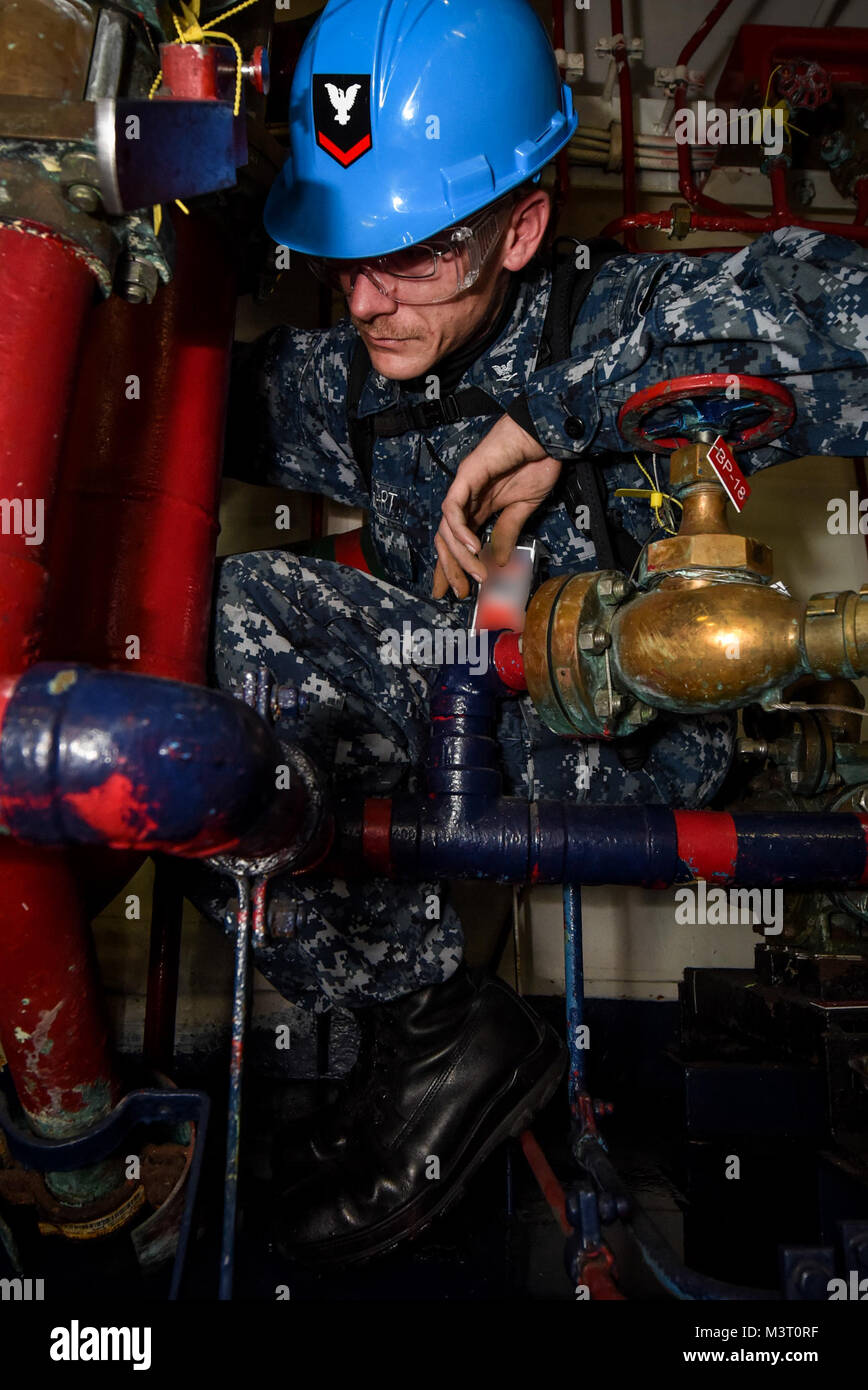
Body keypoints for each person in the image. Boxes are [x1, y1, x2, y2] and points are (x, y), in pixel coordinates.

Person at [189, 0, 868, 1267]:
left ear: (522, 226)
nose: (371, 299)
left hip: (621, 750)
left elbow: (851, 315)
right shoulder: (353, 372)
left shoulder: (613, 320)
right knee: (184, 665)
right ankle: (414, 1040)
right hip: (441, 738)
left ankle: (441, 1036)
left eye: (421, 254)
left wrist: (569, 409)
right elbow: (167, 397)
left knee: (247, 604)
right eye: (348, 255)